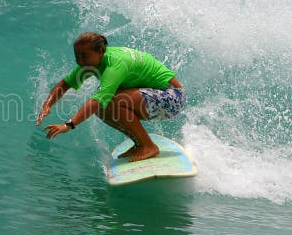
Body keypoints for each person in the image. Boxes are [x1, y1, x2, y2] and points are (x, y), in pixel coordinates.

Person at [36, 32, 186, 162]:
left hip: (173, 97)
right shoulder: (91, 63)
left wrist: (68, 125)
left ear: (100, 52)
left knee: (111, 101)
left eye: (84, 56)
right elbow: (64, 84)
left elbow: (98, 100)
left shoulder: (114, 64)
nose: (80, 61)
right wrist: (47, 105)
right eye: (77, 56)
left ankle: (148, 146)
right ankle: (139, 143)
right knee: (101, 109)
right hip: (155, 97)